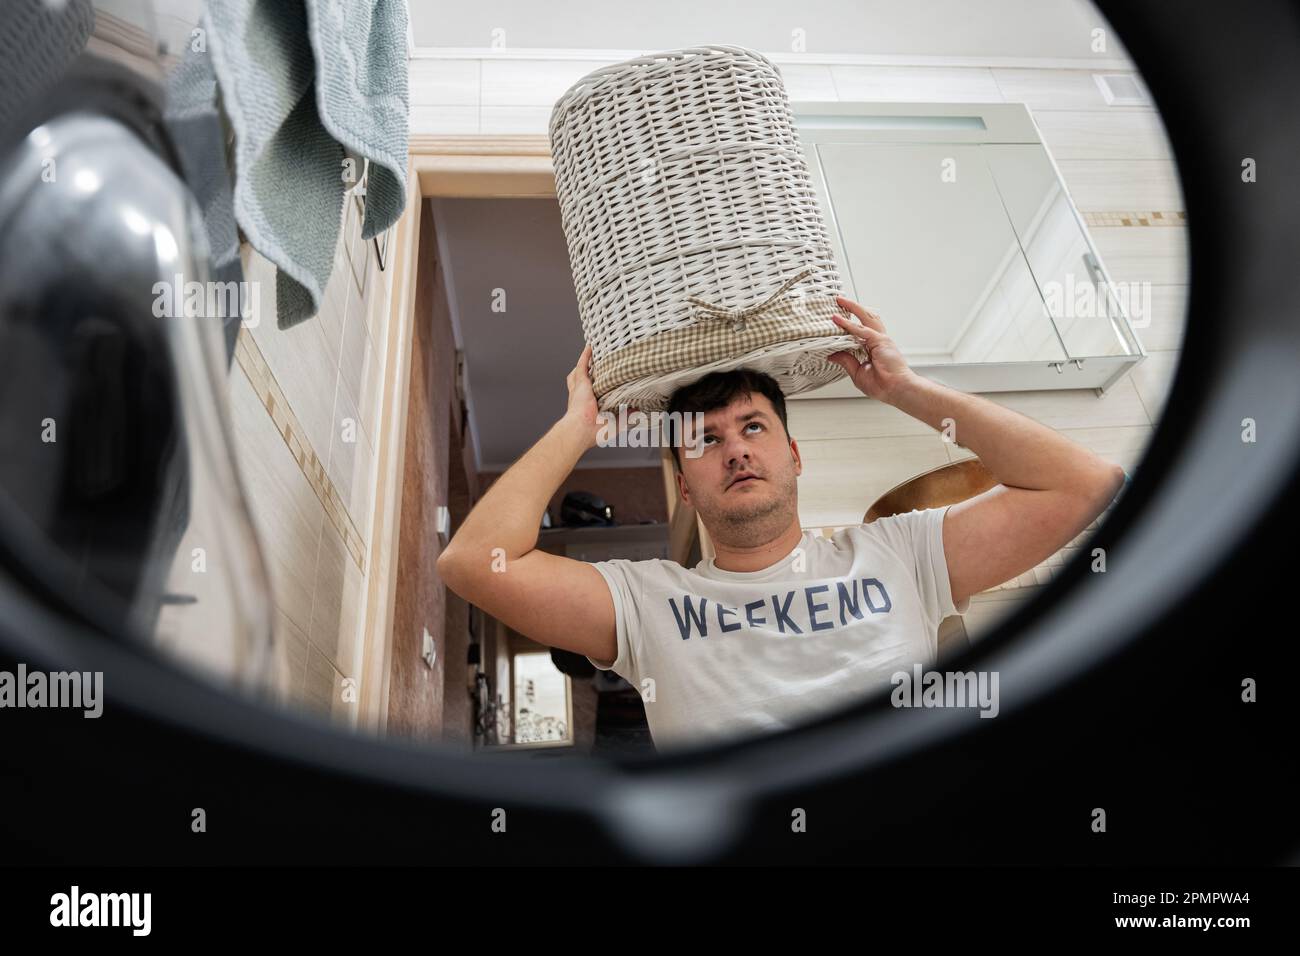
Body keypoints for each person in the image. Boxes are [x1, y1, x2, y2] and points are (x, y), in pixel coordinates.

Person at [436, 296, 1126, 751]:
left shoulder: (901, 553)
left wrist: (905, 389)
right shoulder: (646, 604)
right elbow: (473, 561)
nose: (734, 448)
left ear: (793, 456)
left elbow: (1084, 484)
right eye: (703, 440)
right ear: (683, 485)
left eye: (753, 427)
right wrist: (577, 427)